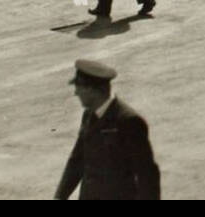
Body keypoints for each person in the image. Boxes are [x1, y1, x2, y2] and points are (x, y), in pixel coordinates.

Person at [55, 59, 160, 201]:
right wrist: (60, 196)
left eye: (78, 87)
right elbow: (77, 160)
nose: (76, 93)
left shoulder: (128, 121)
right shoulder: (89, 115)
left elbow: (146, 173)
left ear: (91, 90)